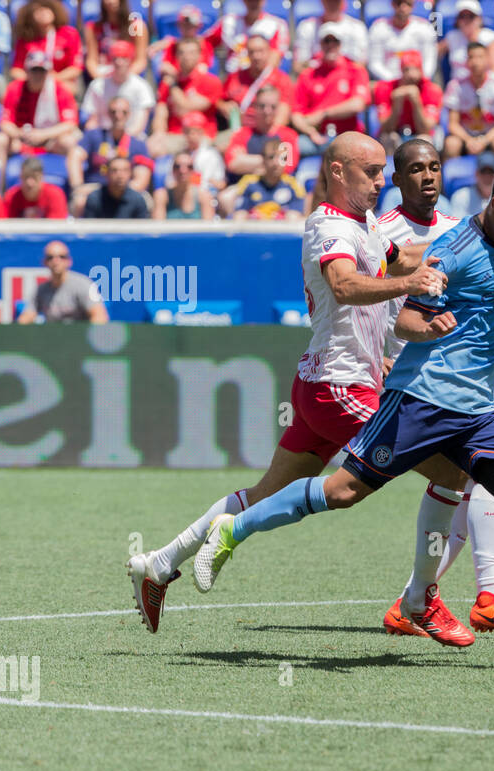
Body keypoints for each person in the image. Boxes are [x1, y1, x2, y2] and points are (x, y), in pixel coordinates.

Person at [191, 155, 494, 665]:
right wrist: (422, 327)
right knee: (340, 491)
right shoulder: (451, 252)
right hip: (421, 401)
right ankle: (234, 528)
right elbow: (400, 309)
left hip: (477, 413)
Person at [127, 131, 451, 633]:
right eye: (371, 171)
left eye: (384, 170)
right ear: (338, 172)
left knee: (264, 491)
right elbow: (344, 285)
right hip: (340, 387)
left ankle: (160, 563)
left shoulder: (364, 222)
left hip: (325, 382)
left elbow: (402, 258)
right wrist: (409, 284)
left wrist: (468, 241)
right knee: (450, 470)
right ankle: (420, 602)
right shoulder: (327, 225)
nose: (381, 180)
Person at [376, 138, 494, 635]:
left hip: (448, 382)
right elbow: (354, 291)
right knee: (335, 489)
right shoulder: (381, 232)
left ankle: (470, 598)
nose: (428, 176)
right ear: (397, 178)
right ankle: (429, 599)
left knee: (474, 475)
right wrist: (376, 356)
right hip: (397, 379)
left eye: (435, 167)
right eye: (415, 169)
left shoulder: (459, 229)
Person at [0, 50, 82, 172]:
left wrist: (43, 134)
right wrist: (20, 134)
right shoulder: (14, 88)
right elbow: (5, 122)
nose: (38, 75)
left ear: (48, 73)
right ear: (27, 71)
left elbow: (70, 124)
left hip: (50, 140)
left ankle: (76, 188)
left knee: (69, 142)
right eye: (34, 71)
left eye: (42, 71)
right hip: (21, 139)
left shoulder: (59, 89)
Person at [292, 26, 372, 158]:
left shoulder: (355, 70)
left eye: (335, 41)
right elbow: (296, 114)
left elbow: (358, 104)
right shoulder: (308, 74)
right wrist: (310, 131)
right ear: (320, 45)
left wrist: (324, 114)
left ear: (341, 44)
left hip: (347, 136)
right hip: (316, 138)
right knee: (288, 147)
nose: (331, 45)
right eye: (326, 41)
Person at [68, 96, 154, 214]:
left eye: (123, 112)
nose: (118, 116)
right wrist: (78, 186)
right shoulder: (94, 136)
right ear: (108, 113)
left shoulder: (138, 144)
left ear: (129, 114)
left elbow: (141, 181)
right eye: (114, 112)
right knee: (80, 201)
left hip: (126, 190)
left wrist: (116, 189)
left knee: (145, 200)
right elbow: (74, 156)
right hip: (95, 189)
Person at [149, 38, 224, 157]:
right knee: (152, 147)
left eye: (192, 52)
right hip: (175, 136)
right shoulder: (166, 83)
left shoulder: (211, 82)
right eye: (182, 52)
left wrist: (173, 85)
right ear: (176, 56)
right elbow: (161, 111)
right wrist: (158, 132)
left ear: (200, 55)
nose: (186, 56)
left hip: (202, 137)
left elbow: (185, 109)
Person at [442, 41, 494, 161]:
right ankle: (447, 178)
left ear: (487, 59)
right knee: (451, 144)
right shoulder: (455, 86)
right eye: (471, 57)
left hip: (490, 136)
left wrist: (484, 140)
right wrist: (468, 140)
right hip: (465, 137)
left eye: (480, 57)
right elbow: (453, 124)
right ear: (466, 62)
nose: (475, 62)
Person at [373, 48, 443, 156]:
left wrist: (416, 101)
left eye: (415, 69)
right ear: (401, 70)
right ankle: (391, 171)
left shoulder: (432, 90)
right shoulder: (385, 88)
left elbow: (426, 129)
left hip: (418, 134)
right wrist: (397, 104)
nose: (411, 75)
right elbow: (385, 129)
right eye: (407, 70)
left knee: (424, 140)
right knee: (388, 138)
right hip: (396, 134)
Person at [222, 85, 299, 183]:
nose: (267, 111)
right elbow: (232, 164)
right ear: (255, 107)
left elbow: (288, 167)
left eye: (273, 107)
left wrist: (246, 160)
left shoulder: (288, 136)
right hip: (245, 189)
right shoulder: (242, 134)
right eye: (262, 106)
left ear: (278, 108)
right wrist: (273, 161)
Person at [19, 241, 108, 323]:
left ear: (69, 261)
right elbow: (28, 315)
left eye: (61, 257)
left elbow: (100, 316)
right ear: (45, 262)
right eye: (50, 257)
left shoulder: (83, 284)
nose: (56, 261)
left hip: (79, 337)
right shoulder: (41, 290)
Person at [221, 33, 295, 132]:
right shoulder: (235, 77)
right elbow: (218, 99)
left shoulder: (281, 79)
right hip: (237, 130)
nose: (256, 56)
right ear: (247, 54)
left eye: (261, 51)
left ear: (269, 52)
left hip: (267, 132)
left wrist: (266, 138)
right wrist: (223, 106)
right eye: (252, 52)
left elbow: (283, 114)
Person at [80, 39, 156, 135]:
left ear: (130, 60)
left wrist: (121, 141)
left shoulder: (141, 86)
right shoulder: (98, 85)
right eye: (115, 58)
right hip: (103, 138)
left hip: (132, 138)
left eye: (124, 58)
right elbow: (92, 120)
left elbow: (140, 124)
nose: (119, 62)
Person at [9, 0, 82, 98]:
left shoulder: (69, 34)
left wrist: (51, 80)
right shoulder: (26, 38)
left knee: (69, 88)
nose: (43, 13)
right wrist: (34, 80)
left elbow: (75, 68)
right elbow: (16, 70)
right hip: (32, 86)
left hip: (60, 84)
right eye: (38, 10)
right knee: (14, 89)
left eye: (47, 9)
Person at [205, 0, 290, 76]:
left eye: (257, 1)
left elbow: (275, 58)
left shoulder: (277, 25)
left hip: (261, 81)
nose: (253, 4)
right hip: (233, 80)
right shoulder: (229, 22)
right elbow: (205, 42)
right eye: (250, 0)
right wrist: (204, 65)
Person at [229, 138, 306, 220]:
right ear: (263, 160)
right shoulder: (249, 183)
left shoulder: (293, 185)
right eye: (271, 157)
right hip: (254, 230)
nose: (276, 163)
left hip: (283, 231)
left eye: (282, 158)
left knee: (293, 216)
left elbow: (298, 214)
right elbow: (239, 212)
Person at [366, 0, 437, 82]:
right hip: (388, 83)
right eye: (398, 3)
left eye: (408, 4)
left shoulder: (424, 28)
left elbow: (429, 61)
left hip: (417, 82)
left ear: (413, 6)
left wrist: (419, 79)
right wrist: (394, 82)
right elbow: (374, 63)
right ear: (392, 4)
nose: (403, 8)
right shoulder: (378, 28)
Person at [293, 0, 368, 76]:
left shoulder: (357, 27)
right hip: (316, 80)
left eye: (335, 41)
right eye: (327, 41)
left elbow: (360, 66)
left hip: (345, 81)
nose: (332, 5)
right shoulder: (306, 27)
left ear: (344, 3)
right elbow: (298, 66)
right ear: (322, 2)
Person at [437, 0, 494, 83]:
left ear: (479, 19)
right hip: (458, 90)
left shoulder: (490, 38)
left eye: (471, 16)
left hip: (485, 87)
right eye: (462, 16)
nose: (466, 20)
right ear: (457, 20)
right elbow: (433, 52)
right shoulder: (452, 37)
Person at [84, 0, 148, 81]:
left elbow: (141, 61)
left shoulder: (137, 26)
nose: (111, 1)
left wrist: (121, 78)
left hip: (129, 77)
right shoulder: (92, 28)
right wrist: (101, 78)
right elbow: (91, 61)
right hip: (103, 76)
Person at [150, 6, 211, 84]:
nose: (187, 28)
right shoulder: (172, 44)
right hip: (175, 84)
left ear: (199, 26)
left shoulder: (204, 44)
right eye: (184, 24)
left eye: (191, 25)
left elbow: (202, 69)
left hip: (195, 85)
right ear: (179, 25)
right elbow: (163, 67)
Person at [82, 154, 151, 218]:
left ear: (130, 174)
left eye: (125, 170)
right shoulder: (95, 199)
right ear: (107, 174)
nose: (120, 175)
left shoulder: (138, 200)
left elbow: (142, 229)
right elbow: (89, 228)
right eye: (114, 170)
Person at [152, 150, 215, 220]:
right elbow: (158, 227)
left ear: (194, 171)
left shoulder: (204, 196)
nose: (183, 170)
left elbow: (208, 228)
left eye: (189, 167)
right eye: (178, 166)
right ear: (172, 169)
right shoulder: (162, 196)